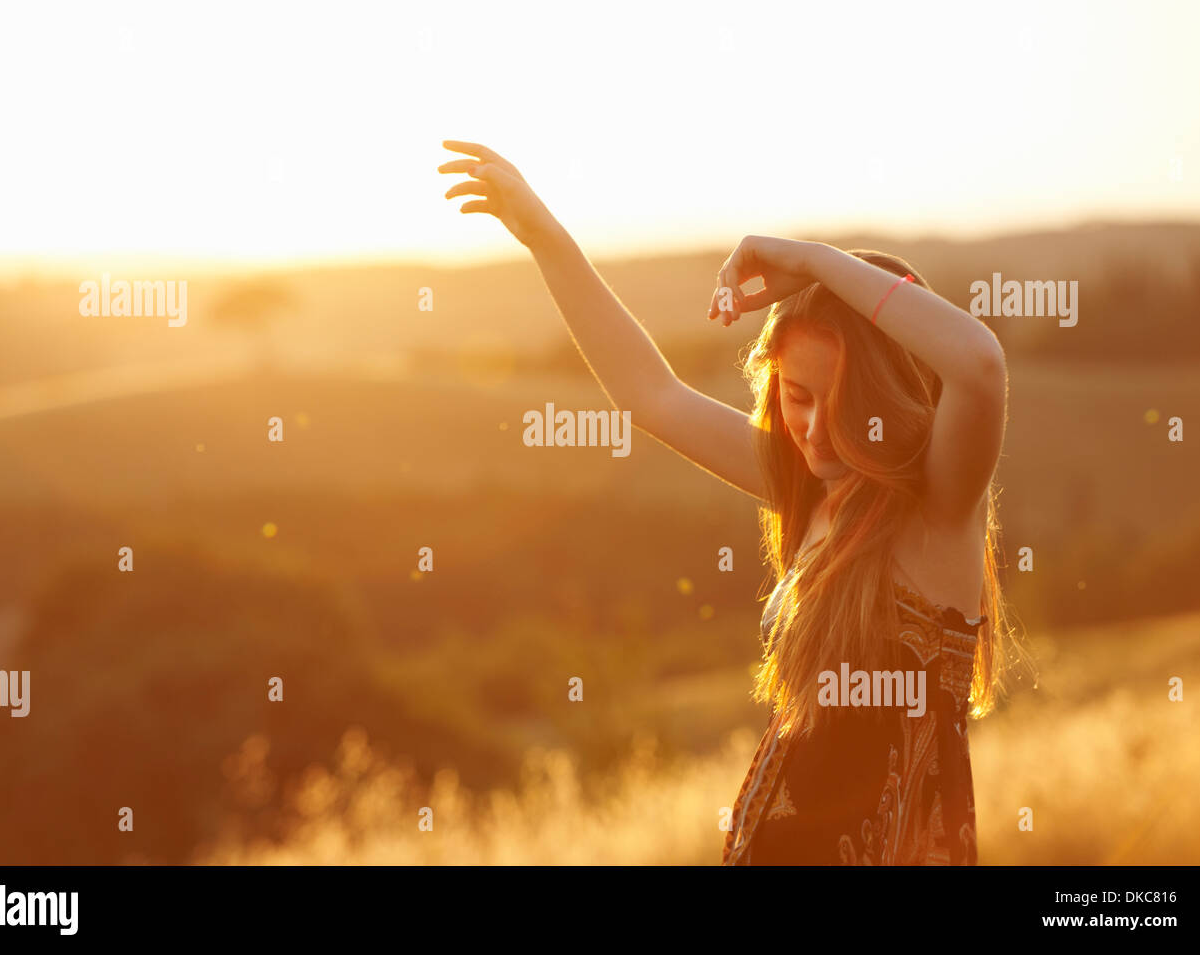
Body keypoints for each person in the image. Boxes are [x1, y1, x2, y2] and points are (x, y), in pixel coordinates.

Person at [438, 140, 1032, 864]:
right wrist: (545, 237)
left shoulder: (939, 513)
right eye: (795, 396)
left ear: (886, 402)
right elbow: (651, 396)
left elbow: (979, 363)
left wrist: (815, 262)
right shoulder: (808, 493)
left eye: (839, 403)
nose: (810, 427)